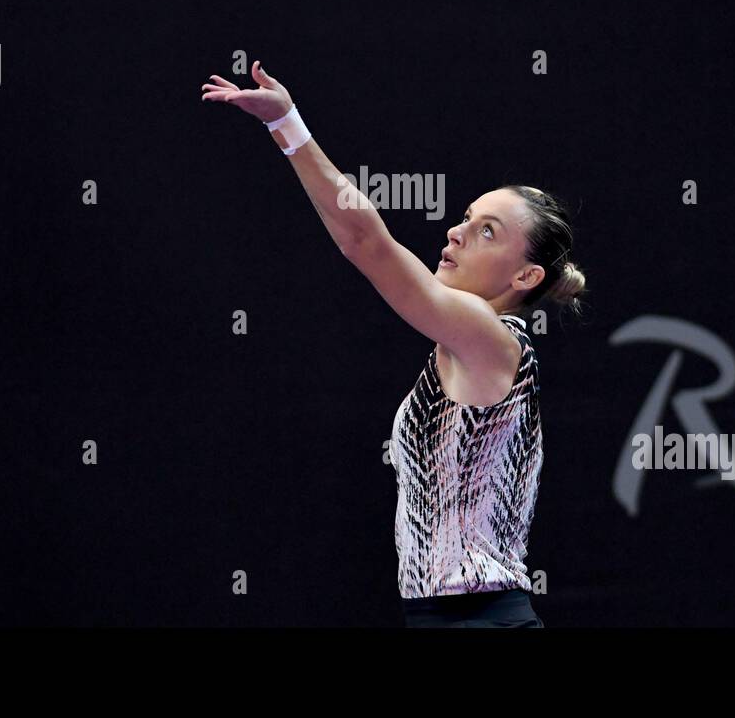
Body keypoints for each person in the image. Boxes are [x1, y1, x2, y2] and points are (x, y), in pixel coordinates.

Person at [201, 61, 588, 627]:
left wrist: (287, 124)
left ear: (526, 277)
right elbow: (356, 239)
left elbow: (366, 242)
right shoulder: (460, 345)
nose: (456, 232)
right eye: (466, 217)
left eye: (487, 232)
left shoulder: (493, 342)